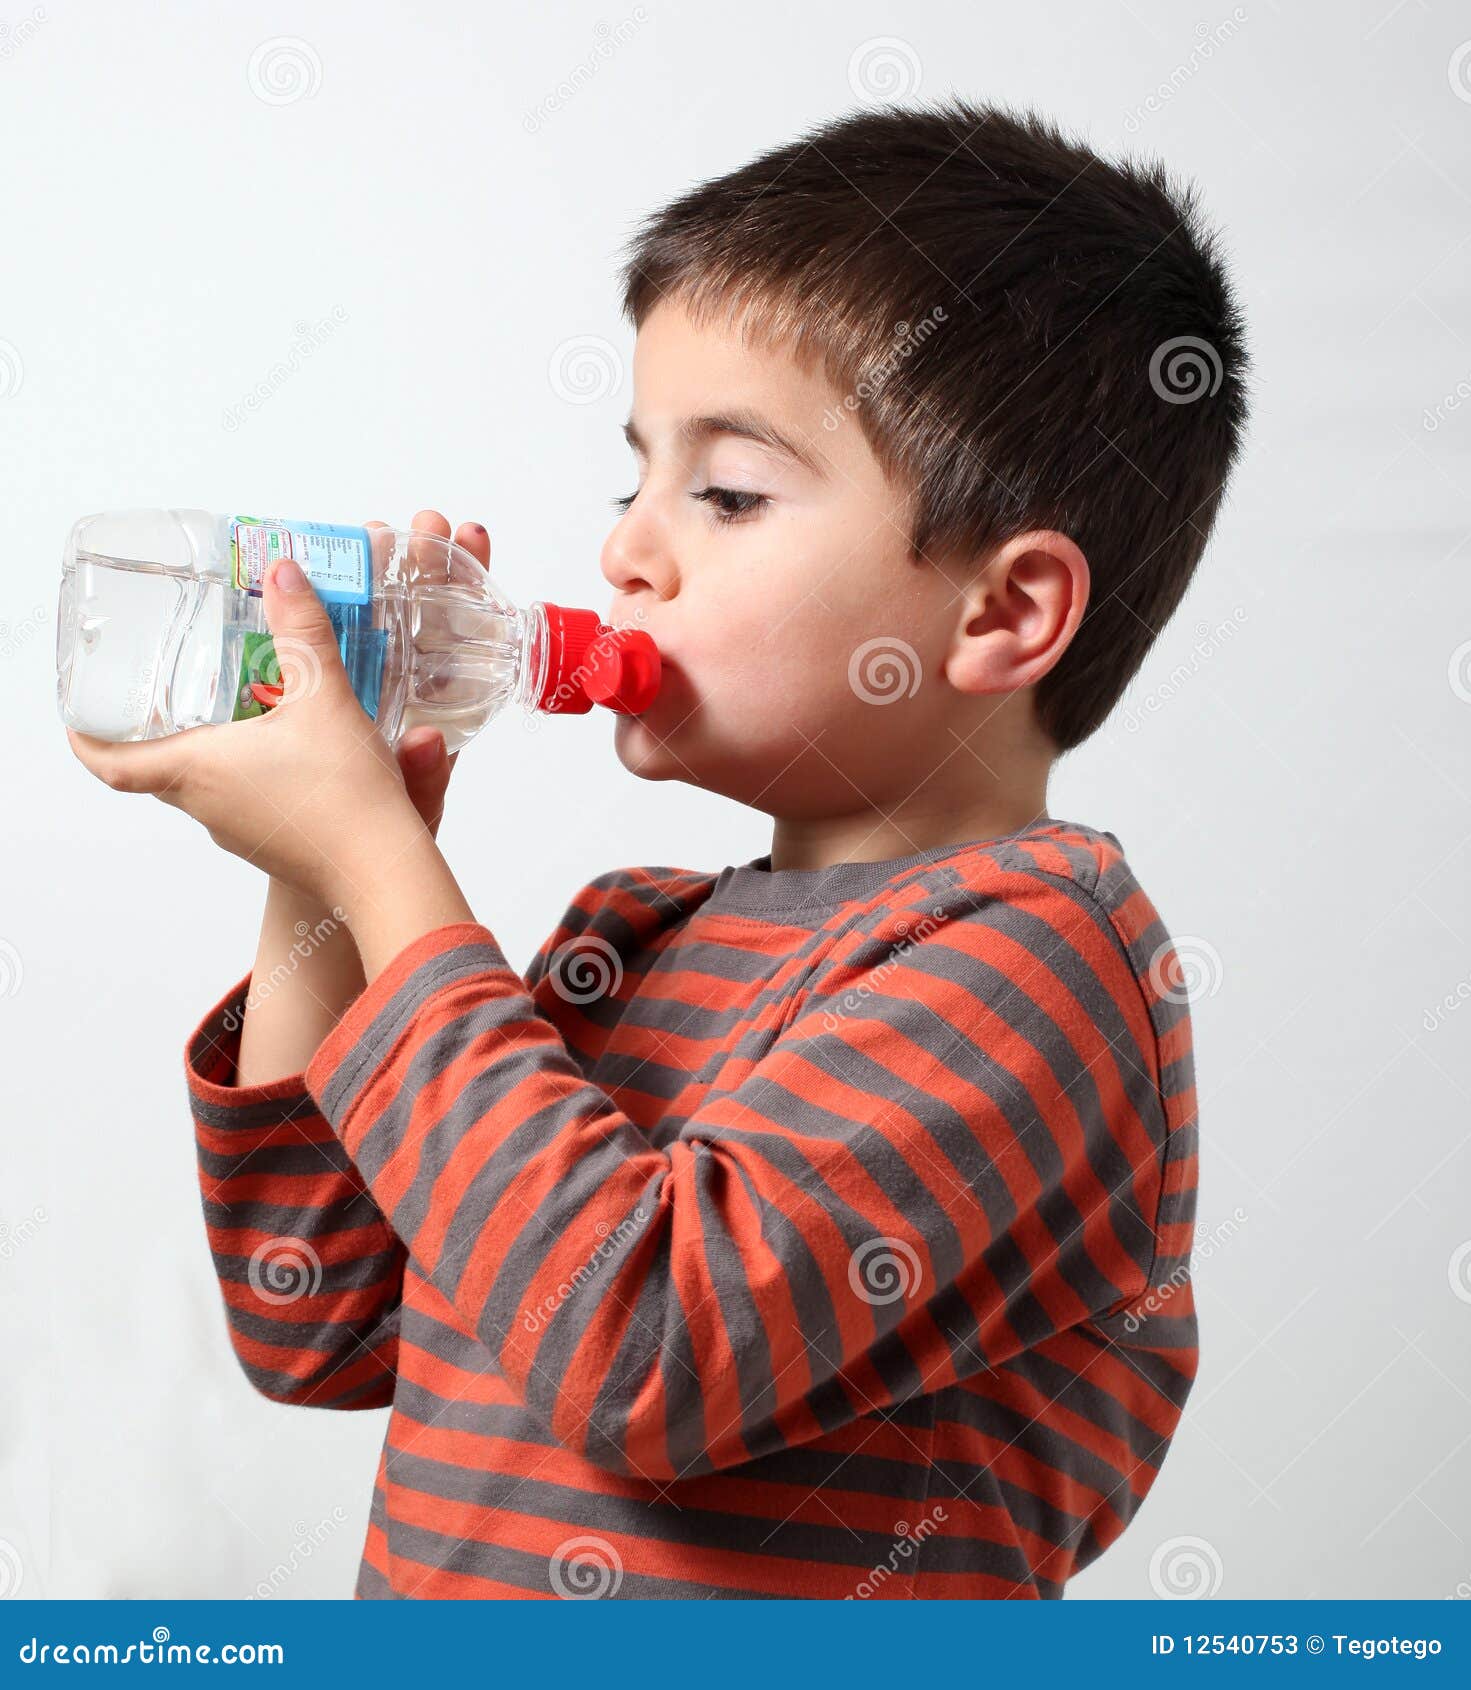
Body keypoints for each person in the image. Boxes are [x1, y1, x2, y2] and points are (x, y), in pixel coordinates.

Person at [71, 97, 1249, 1599]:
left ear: (1004, 613)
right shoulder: (626, 940)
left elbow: (642, 1348)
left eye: (730, 493)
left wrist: (381, 866)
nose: (629, 546)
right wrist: (323, 870)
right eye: (635, 475)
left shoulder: (1039, 967)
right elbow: (321, 1320)